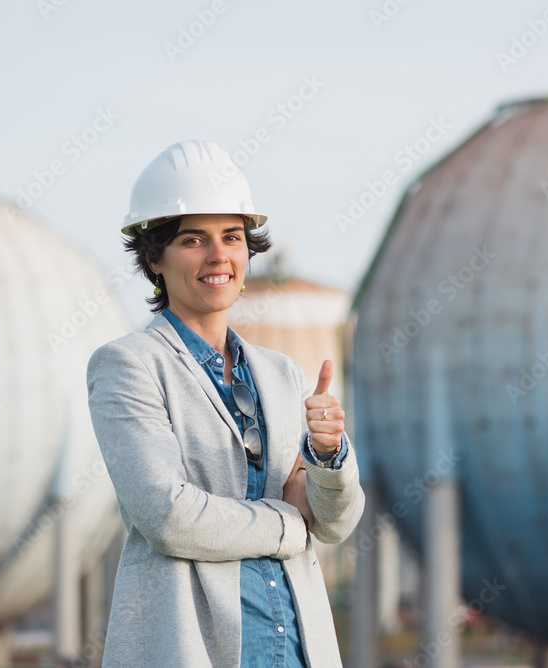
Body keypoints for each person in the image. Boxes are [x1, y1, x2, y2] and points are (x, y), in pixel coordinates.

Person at [86, 139, 365, 667]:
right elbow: (168, 515)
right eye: (194, 239)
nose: (219, 257)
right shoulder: (129, 365)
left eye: (232, 237)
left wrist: (330, 458)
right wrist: (288, 523)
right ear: (154, 256)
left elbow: (335, 524)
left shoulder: (282, 374)